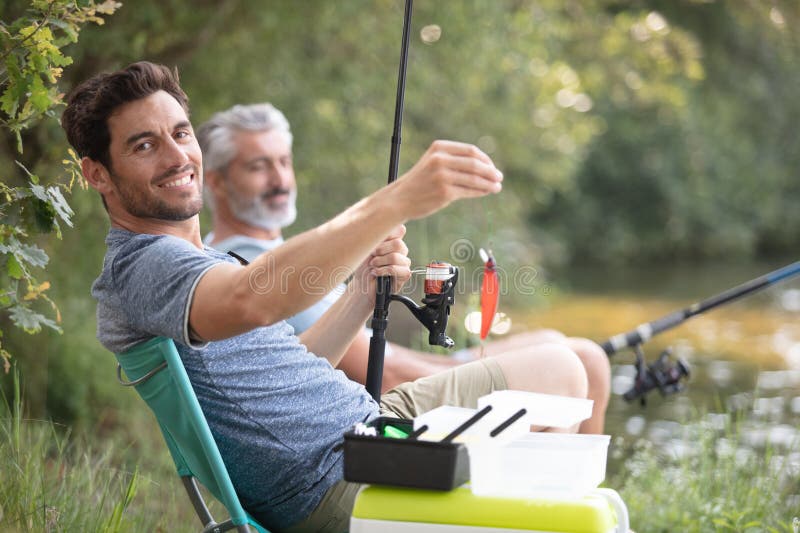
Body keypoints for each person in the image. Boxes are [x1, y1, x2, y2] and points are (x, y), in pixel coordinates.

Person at [62, 61, 589, 532]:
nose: (178, 157)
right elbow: (255, 299)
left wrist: (362, 292)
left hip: (364, 432)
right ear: (97, 174)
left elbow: (291, 368)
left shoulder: (198, 262)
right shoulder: (143, 265)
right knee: (562, 395)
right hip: (335, 480)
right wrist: (393, 201)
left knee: (562, 370)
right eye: (145, 145)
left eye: (180, 133)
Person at [198, 102, 611, 433]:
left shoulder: (277, 253)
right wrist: (472, 370)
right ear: (216, 182)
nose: (280, 178)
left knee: (566, 348)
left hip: (393, 380)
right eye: (258, 166)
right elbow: (387, 374)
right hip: (374, 410)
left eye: (283, 162)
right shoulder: (248, 266)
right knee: (577, 360)